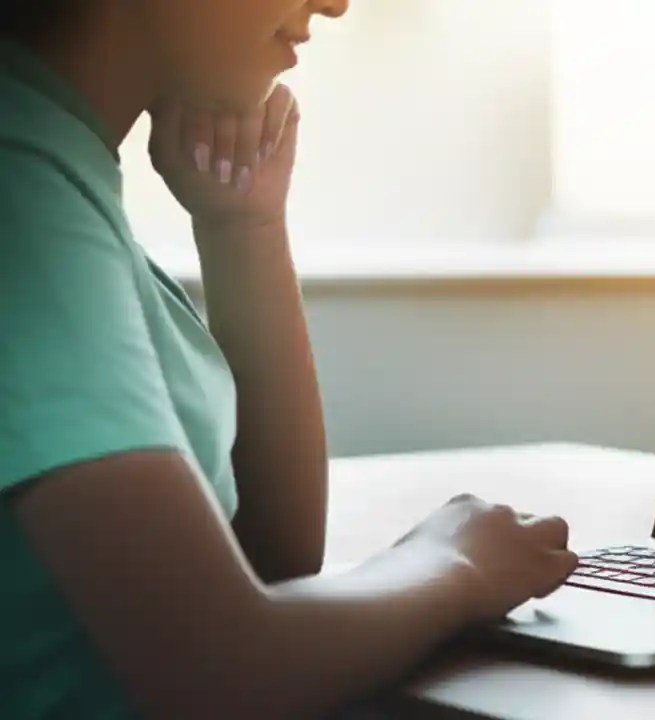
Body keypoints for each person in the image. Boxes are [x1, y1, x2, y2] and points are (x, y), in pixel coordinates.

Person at [0, 1, 577, 717]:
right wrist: (453, 564)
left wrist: (244, 226)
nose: (335, 3)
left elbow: (269, 561)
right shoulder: (21, 194)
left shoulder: (56, 167)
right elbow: (215, 664)